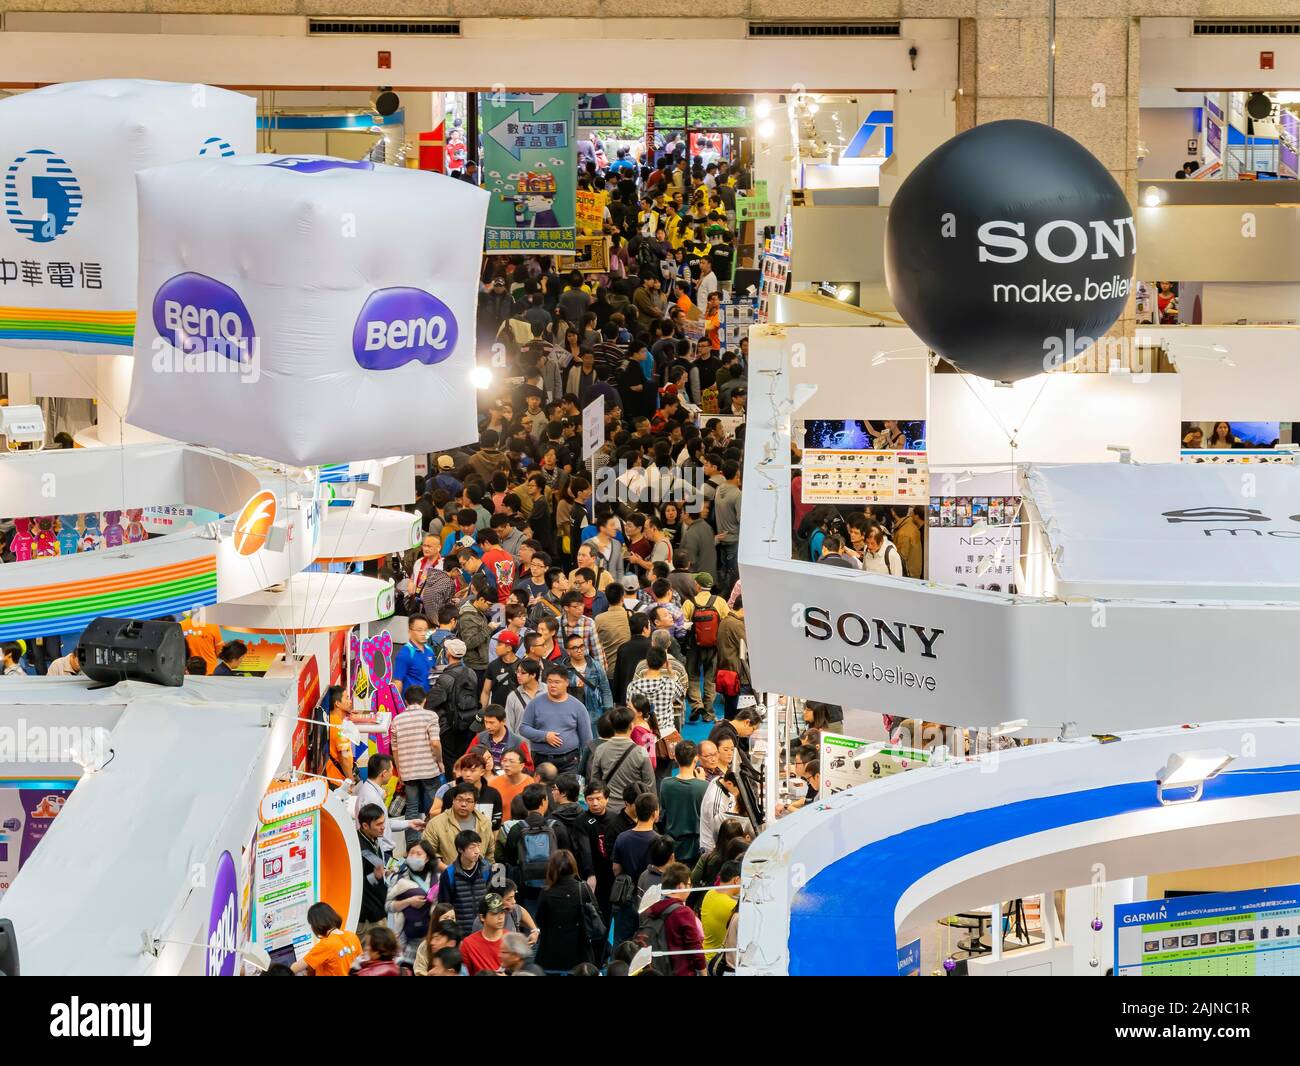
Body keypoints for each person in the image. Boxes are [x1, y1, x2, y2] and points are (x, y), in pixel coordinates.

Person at [501, 782, 574, 913]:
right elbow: (567, 857)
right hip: (555, 889)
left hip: (526, 890)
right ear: (544, 801)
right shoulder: (556, 826)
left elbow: (510, 860)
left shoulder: (516, 829)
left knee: (532, 927)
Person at [389, 686, 443, 845]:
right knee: (434, 805)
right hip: (429, 769)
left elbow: (395, 750)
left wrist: (400, 771)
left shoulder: (397, 719)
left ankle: (412, 844)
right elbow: (435, 743)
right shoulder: (430, 716)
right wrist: (440, 762)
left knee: (411, 807)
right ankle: (437, 840)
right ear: (424, 700)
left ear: (405, 701)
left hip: (408, 771)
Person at [518, 663, 593, 775]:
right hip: (541, 760)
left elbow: (586, 739)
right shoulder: (535, 703)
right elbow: (523, 728)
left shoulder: (578, 706)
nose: (552, 685)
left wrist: (586, 765)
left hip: (569, 761)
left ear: (566, 683)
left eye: (557, 682)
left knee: (567, 791)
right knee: (543, 791)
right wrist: (544, 736)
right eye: (549, 681)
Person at [638, 862, 705, 976]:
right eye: (689, 884)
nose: (691, 888)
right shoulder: (683, 912)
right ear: (680, 886)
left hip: (658, 968)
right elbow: (694, 947)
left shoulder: (654, 907)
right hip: (681, 971)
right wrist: (704, 972)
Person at [535, 849, 596, 973]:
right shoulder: (583, 888)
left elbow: (540, 919)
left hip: (551, 952)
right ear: (573, 867)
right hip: (580, 951)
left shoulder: (546, 892)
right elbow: (596, 914)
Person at [587, 704, 656, 814]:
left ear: (612, 726)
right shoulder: (641, 752)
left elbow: (595, 782)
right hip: (633, 810)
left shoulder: (600, 750)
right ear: (631, 726)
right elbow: (649, 785)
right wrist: (654, 810)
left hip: (608, 810)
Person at [611, 791, 661, 942]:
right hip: (650, 898)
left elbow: (616, 868)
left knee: (622, 942)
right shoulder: (659, 841)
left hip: (626, 896)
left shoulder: (622, 838)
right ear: (654, 813)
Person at [424, 637, 481, 769]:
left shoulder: (445, 678)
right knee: (464, 759)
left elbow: (431, 703)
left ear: (448, 653)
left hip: (449, 726)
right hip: (468, 724)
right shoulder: (471, 673)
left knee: (451, 763)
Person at [682, 572, 727, 722]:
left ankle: (696, 704)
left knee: (692, 676)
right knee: (710, 678)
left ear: (698, 586)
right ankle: (709, 712)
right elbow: (726, 622)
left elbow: (683, 624)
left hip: (694, 646)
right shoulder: (719, 602)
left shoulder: (690, 602)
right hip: (714, 647)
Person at [356, 754, 424, 852]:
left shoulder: (368, 790)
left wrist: (409, 823)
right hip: (381, 850)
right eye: (391, 770)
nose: (392, 774)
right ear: (384, 773)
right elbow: (377, 827)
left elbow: (384, 823)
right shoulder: (372, 798)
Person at [436, 827, 495, 936]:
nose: (477, 851)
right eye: (472, 847)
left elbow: (492, 900)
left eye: (478, 846)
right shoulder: (449, 874)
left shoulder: (487, 869)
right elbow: (444, 907)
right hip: (460, 933)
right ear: (460, 850)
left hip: (483, 932)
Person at [659, 740, 709, 866]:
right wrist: (702, 781)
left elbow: (663, 811)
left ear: (675, 758)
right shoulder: (704, 786)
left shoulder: (665, 783)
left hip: (672, 845)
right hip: (696, 846)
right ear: (696, 759)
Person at [423, 782, 495, 869]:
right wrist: (448, 871)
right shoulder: (436, 823)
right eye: (459, 799)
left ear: (475, 803)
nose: (463, 804)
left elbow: (489, 854)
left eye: (468, 801)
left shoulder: (484, 823)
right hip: (447, 876)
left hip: (479, 877)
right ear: (453, 800)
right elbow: (428, 853)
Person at [387, 840, 438, 958]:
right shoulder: (399, 875)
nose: (414, 856)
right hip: (403, 932)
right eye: (411, 853)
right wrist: (408, 901)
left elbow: (439, 907)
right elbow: (389, 905)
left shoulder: (436, 877)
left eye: (419, 854)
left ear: (427, 858)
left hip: (428, 932)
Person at [292, 902, 361, 976]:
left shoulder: (326, 945)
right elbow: (360, 963)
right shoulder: (352, 936)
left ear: (316, 924)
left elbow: (294, 968)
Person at [563, 631, 614, 729]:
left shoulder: (595, 666)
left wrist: (608, 713)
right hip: (572, 718)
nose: (579, 650)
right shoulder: (563, 670)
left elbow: (606, 690)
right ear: (568, 651)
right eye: (575, 648)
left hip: (595, 717)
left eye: (581, 646)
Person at [356, 803, 393, 937]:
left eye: (383, 822)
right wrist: (375, 876)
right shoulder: (358, 848)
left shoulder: (373, 838)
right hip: (368, 918)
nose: (383, 827)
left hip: (379, 908)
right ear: (365, 826)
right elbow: (357, 884)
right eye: (378, 824)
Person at [466, 703, 534, 771]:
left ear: (503, 721)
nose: (488, 726)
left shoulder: (518, 742)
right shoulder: (479, 738)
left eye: (492, 723)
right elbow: (467, 759)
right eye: (486, 722)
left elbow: (529, 768)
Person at [701, 860, 741, 964]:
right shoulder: (731, 906)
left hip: (705, 955)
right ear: (737, 880)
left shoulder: (709, 893)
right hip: (717, 961)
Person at [460, 894, 509, 975]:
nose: (501, 917)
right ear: (482, 917)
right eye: (495, 913)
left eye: (502, 912)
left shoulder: (511, 939)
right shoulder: (468, 944)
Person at [712, 461, 742, 594]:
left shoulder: (719, 489)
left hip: (721, 536)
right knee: (732, 571)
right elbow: (740, 519)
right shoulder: (737, 494)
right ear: (737, 474)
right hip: (733, 537)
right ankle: (729, 597)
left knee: (723, 568)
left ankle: (722, 593)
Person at [392, 614, 436, 696]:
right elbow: (398, 681)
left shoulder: (430, 650)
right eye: (419, 630)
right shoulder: (405, 653)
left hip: (428, 702)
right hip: (412, 705)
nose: (423, 633)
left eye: (425, 630)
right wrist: (397, 707)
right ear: (410, 631)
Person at [698, 771, 740, 855]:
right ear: (729, 783)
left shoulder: (720, 779)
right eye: (738, 789)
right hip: (712, 849)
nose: (739, 792)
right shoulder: (716, 802)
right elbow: (718, 833)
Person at [504, 658, 542, 734]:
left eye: (523, 673)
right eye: (517, 672)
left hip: (545, 742)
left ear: (533, 675)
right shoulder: (512, 697)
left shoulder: (547, 691)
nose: (518, 675)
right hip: (521, 743)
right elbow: (509, 726)